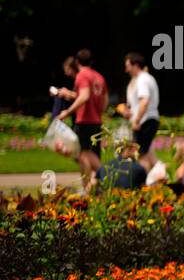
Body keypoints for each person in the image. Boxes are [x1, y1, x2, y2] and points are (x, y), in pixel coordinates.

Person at [54, 49, 107, 192]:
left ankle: (87, 187)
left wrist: (67, 112)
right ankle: (101, 181)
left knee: (82, 154)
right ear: (91, 61)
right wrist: (98, 112)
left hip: (84, 121)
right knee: (92, 154)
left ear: (77, 62)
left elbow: (84, 96)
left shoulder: (82, 76)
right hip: (96, 121)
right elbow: (105, 101)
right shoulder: (99, 77)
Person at [115, 53, 160, 172]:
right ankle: (162, 178)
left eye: (128, 66)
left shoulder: (142, 80)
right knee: (149, 154)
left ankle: (143, 185)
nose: (126, 70)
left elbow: (144, 101)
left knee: (141, 155)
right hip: (148, 120)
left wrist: (137, 120)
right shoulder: (144, 78)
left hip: (144, 121)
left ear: (136, 65)